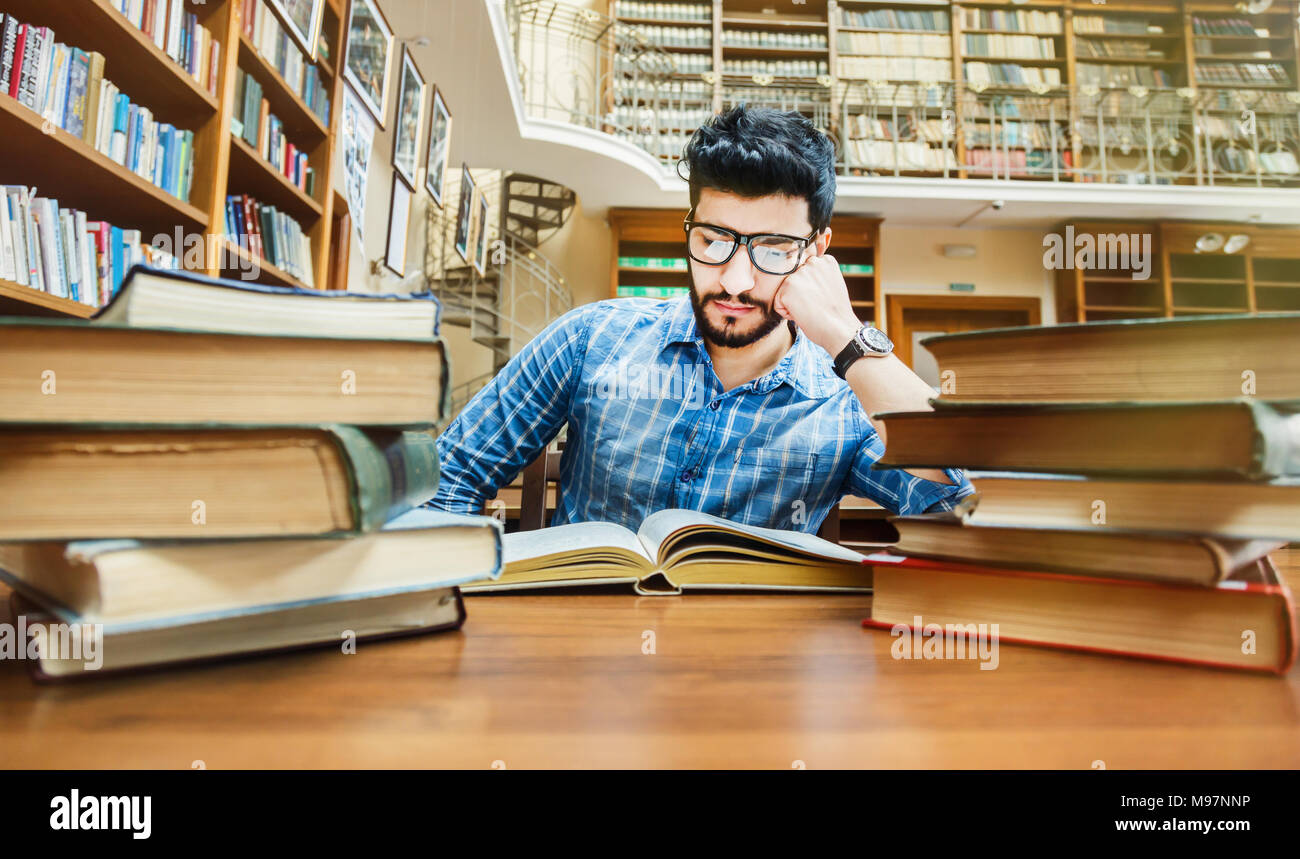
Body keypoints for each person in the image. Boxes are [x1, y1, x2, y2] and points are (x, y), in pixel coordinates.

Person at [427, 104, 974, 532]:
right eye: (712, 241)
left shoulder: (846, 403)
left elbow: (963, 506)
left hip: (754, 662)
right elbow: (449, 475)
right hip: (578, 649)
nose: (735, 282)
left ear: (816, 251)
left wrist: (847, 338)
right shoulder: (591, 337)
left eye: (774, 249)